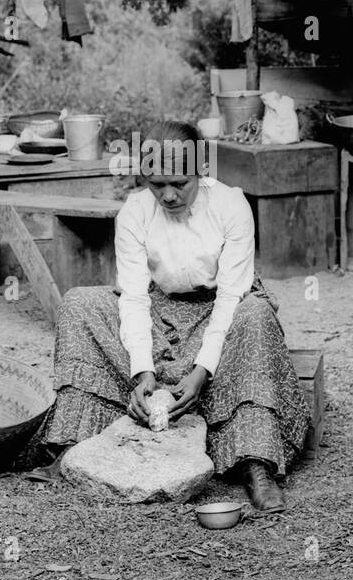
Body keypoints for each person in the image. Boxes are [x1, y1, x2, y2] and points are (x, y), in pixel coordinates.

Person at [25, 119, 310, 511]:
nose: (170, 195)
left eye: (180, 183)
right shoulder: (135, 212)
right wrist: (142, 370)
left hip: (221, 312)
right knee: (80, 303)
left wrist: (200, 372)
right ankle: (75, 447)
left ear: (200, 171)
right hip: (160, 313)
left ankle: (256, 463)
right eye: (157, 184)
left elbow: (231, 296)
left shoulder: (231, 205)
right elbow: (135, 297)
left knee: (256, 315)